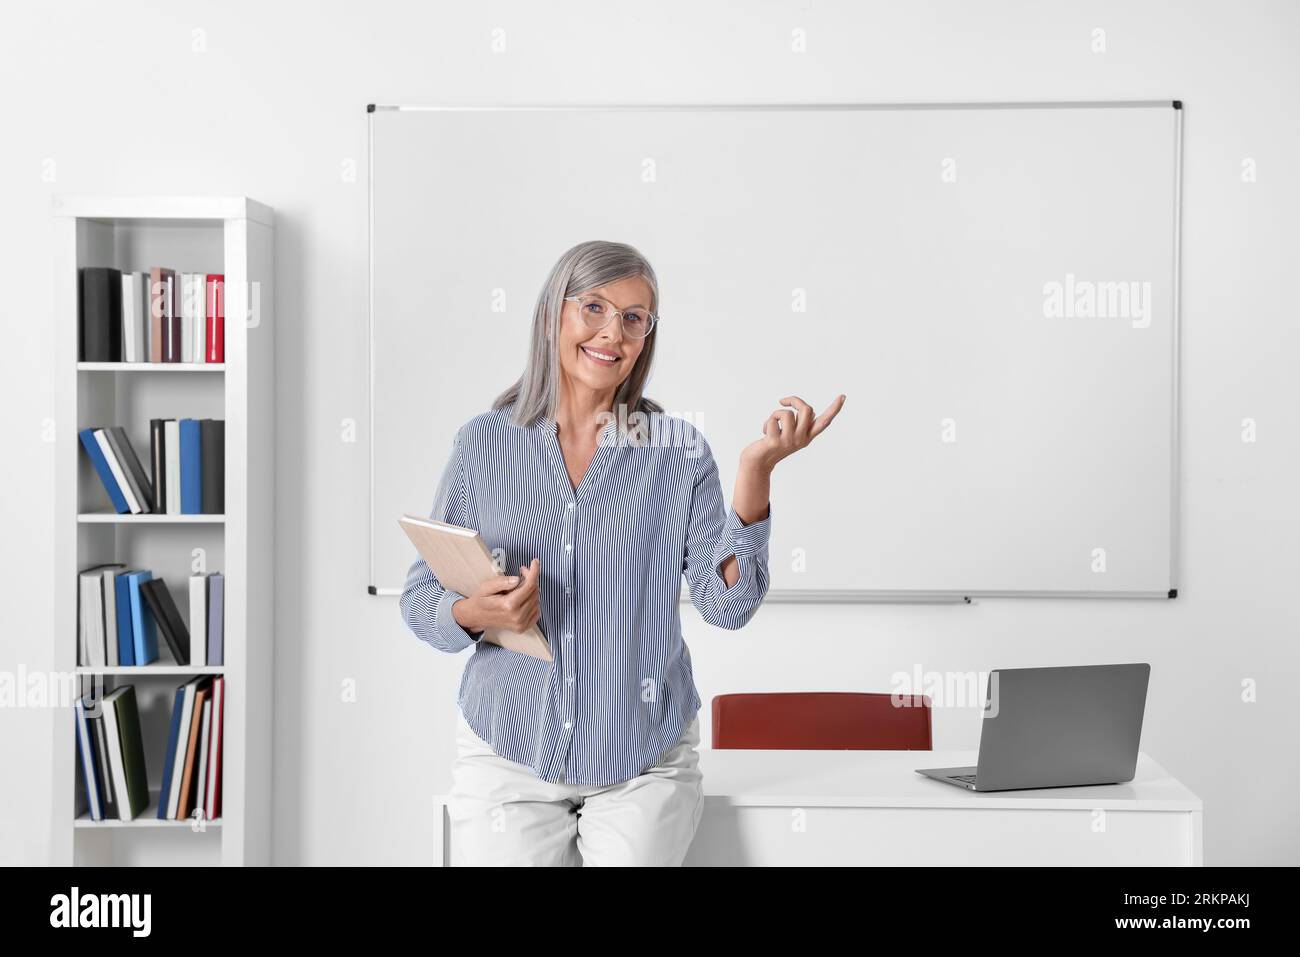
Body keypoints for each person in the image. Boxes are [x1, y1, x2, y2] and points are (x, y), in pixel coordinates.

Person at [401, 239, 845, 865]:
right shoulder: (486, 444)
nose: (613, 332)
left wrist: (755, 477)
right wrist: (477, 612)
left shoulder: (675, 450)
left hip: (645, 760)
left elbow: (727, 606)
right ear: (555, 312)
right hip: (509, 750)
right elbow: (423, 597)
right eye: (595, 308)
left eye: (635, 318)